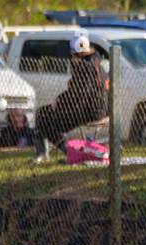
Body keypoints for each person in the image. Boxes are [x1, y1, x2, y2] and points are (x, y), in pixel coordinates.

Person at [33, 35, 108, 163]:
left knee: (43, 116)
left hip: (90, 111)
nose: (71, 58)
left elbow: (79, 94)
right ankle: (50, 153)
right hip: (100, 108)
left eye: (72, 55)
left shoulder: (85, 66)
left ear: (75, 54)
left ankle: (68, 152)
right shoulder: (97, 64)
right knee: (45, 114)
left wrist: (59, 101)